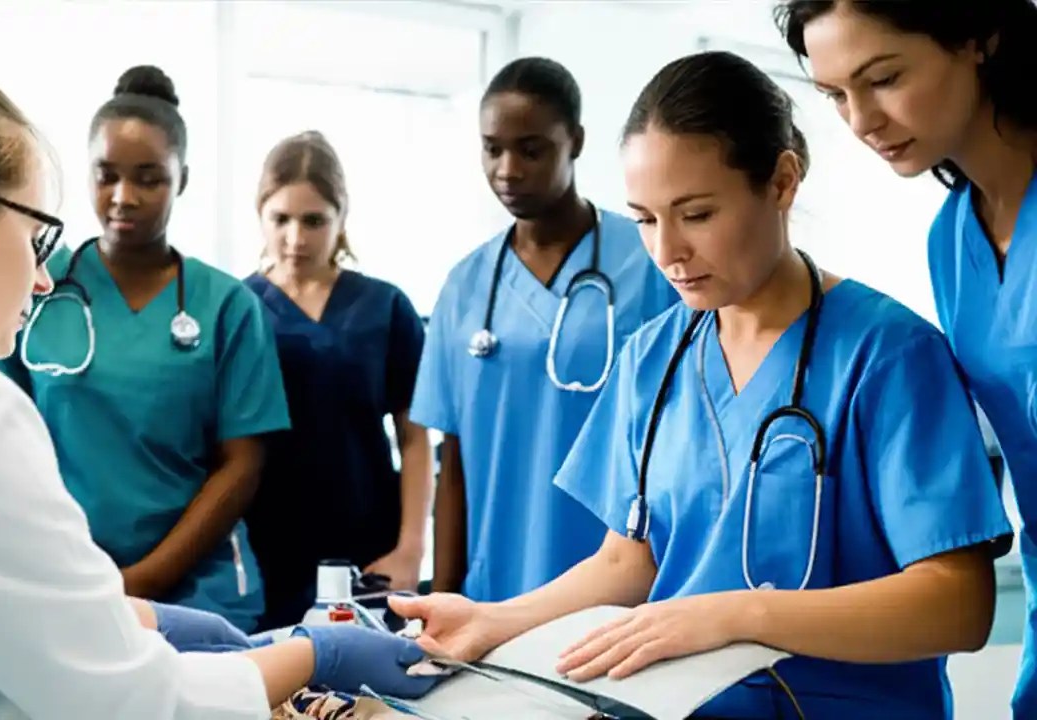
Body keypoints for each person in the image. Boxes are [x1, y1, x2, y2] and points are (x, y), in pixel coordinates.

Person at [0, 64, 438, 719]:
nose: (44, 277)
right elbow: (132, 702)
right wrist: (314, 653)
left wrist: (131, 614)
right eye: (34, 233)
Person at [391, 50, 1014, 719]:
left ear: (780, 182)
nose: (667, 253)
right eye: (645, 218)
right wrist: (494, 620)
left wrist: (736, 615)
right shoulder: (653, 356)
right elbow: (628, 562)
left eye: (696, 214)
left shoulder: (888, 354)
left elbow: (958, 605)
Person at [775, 1, 1037, 714]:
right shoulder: (953, 241)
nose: (860, 120)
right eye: (835, 95)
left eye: (883, 77)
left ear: (979, 35)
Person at [0, 65, 287, 633]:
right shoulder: (33, 284)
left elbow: (242, 466)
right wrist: (72, 576)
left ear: (184, 179)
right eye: (107, 176)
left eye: (149, 178)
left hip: (201, 591)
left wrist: (139, 582)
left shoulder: (226, 305)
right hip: (62, 579)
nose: (123, 197)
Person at [409, 56, 678, 603]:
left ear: (575, 141)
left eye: (531, 149)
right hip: (495, 586)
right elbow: (451, 467)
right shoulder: (465, 285)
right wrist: (439, 601)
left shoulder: (652, 261)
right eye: (492, 148)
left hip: (619, 584)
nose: (508, 169)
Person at [243, 131, 432, 631]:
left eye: (314, 221)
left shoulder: (385, 307)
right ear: (259, 213)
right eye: (280, 219)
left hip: (369, 550)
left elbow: (415, 438)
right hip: (267, 549)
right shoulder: (238, 309)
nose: (295, 238)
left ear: (341, 217)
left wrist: (410, 549)